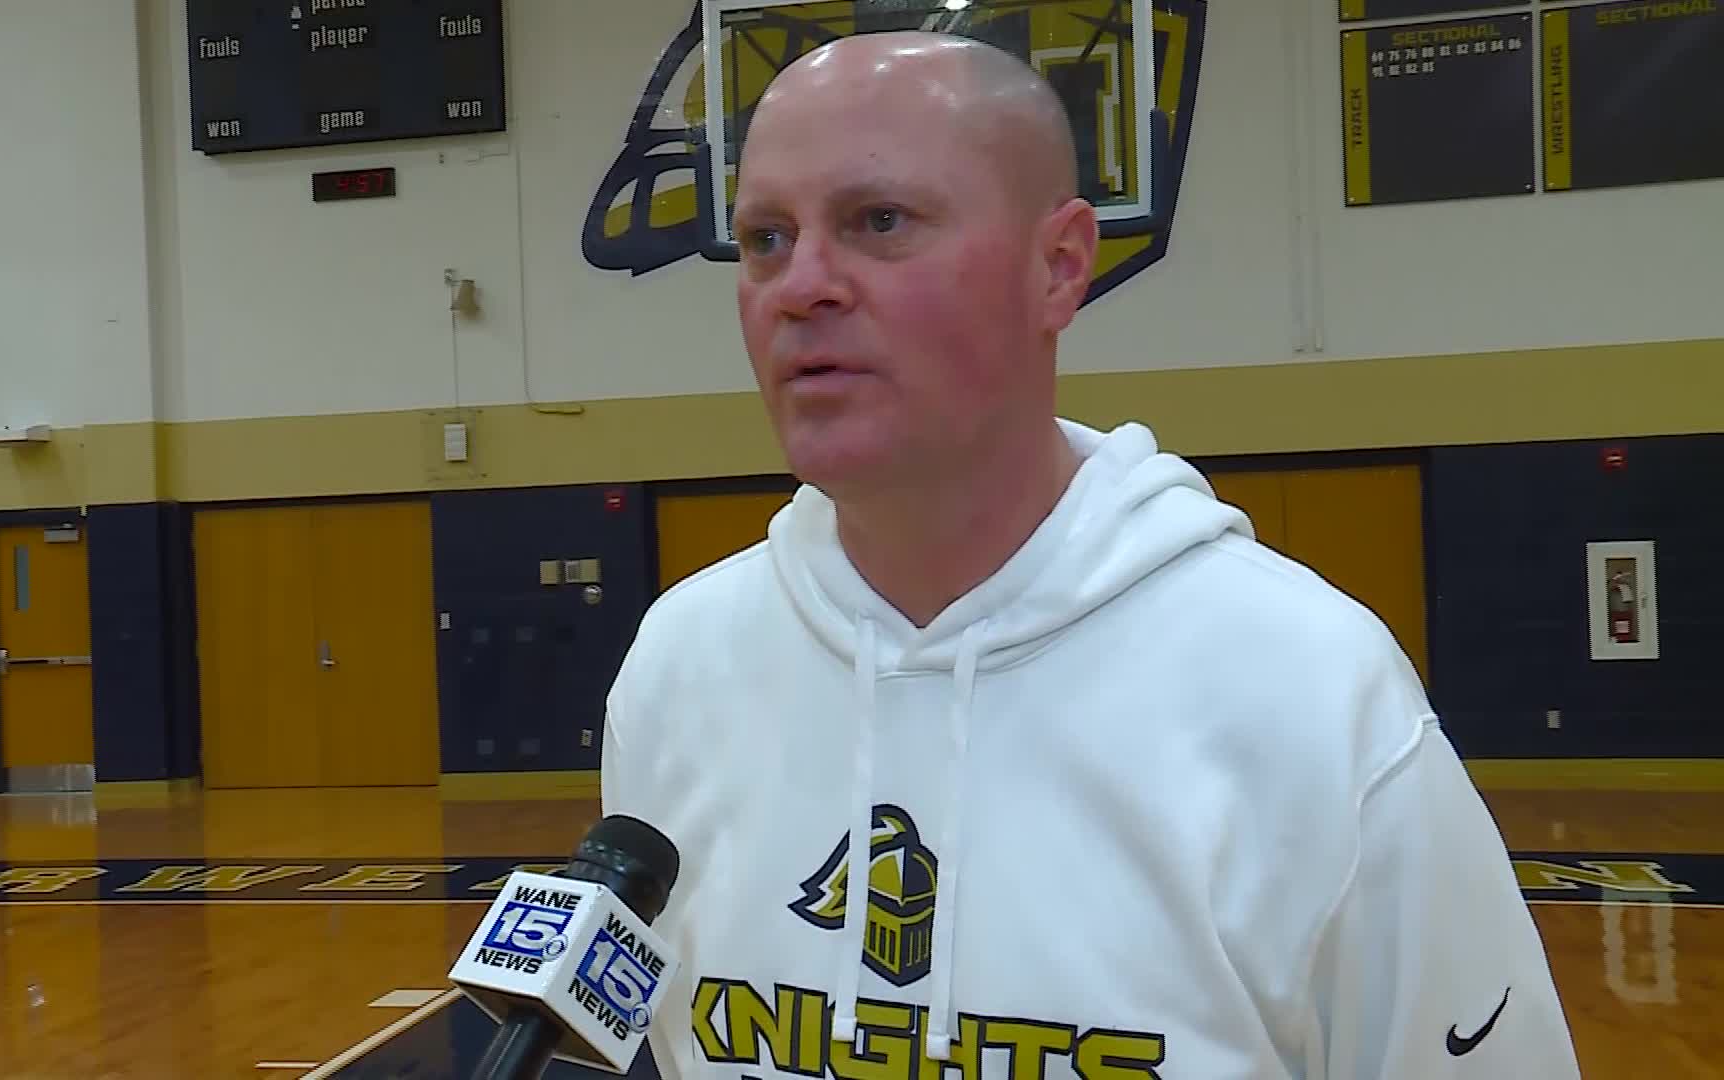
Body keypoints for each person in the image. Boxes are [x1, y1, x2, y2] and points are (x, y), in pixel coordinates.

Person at [601, 29, 1580, 1079]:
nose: (802, 285)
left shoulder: (1309, 691)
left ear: (1059, 266)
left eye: (878, 221)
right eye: (764, 239)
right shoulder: (680, 667)